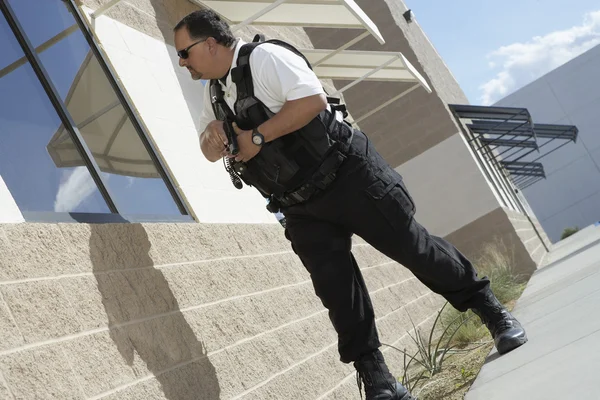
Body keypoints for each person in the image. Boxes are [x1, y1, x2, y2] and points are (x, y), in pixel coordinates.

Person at [173, 10, 528, 400]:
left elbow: (311, 101)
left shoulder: (265, 58)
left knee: (413, 248)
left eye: (185, 53)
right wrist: (212, 136)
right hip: (299, 204)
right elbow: (210, 153)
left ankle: (491, 311)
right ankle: (379, 380)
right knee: (337, 291)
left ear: (210, 43)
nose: (182, 62)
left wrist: (255, 138)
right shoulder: (214, 93)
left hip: (348, 175)